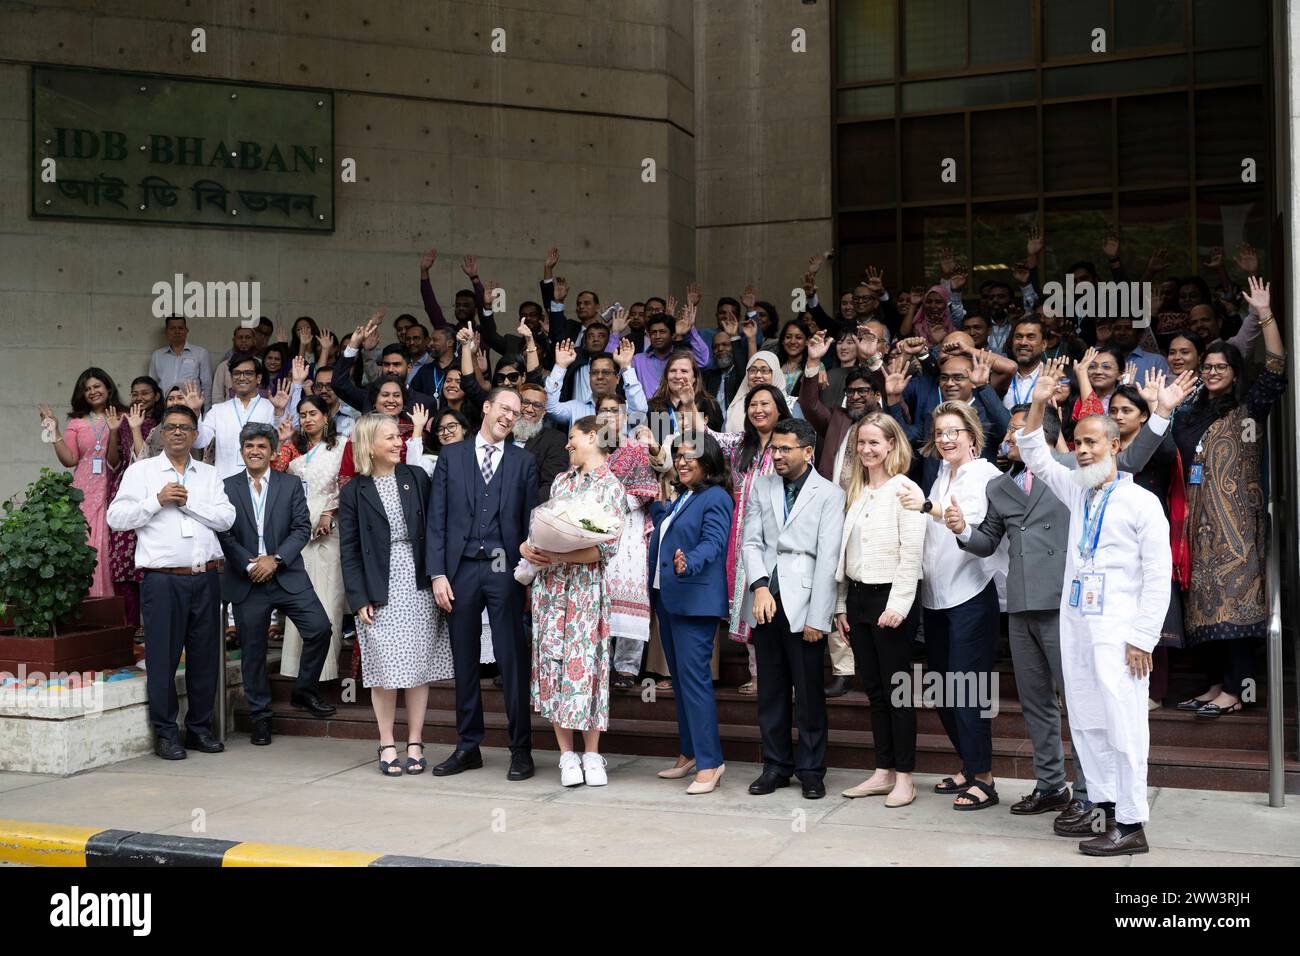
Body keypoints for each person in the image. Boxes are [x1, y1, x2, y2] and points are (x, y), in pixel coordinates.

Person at [1017, 357, 1172, 855]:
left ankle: (1131, 824)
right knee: (1085, 719)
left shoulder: (1141, 503)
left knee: (1124, 723)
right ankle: (1106, 813)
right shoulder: (1078, 491)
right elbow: (1035, 454)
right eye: (1079, 443)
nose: (1082, 451)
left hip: (1122, 634)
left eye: (1092, 443)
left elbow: (1158, 576)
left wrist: (1144, 637)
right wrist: (1040, 402)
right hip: (1079, 627)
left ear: (1117, 445)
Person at [1173, 277, 1286, 717]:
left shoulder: (1248, 410)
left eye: (1221, 367)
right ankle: (1216, 685)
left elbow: (1276, 364)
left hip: (1239, 531)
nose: (1213, 372)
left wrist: (1265, 313)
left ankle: (1240, 691)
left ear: (1235, 373)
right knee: (1204, 613)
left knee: (1237, 613)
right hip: (1198, 531)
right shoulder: (1191, 412)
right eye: (1208, 367)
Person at [106, 404, 236, 759]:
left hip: (206, 577)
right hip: (163, 581)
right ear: (162, 434)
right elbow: (116, 517)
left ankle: (198, 729)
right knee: (162, 658)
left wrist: (188, 503)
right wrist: (156, 500)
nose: (178, 432)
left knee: (205, 658)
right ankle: (166, 733)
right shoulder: (142, 472)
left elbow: (226, 518)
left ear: (195, 435)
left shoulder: (209, 475)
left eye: (185, 427)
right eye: (171, 427)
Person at [427, 388, 538, 781]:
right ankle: (468, 745)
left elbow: (529, 522)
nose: (509, 416)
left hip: (504, 568)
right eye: (504, 408)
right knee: (465, 660)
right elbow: (436, 520)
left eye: (516, 411)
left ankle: (520, 748)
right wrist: (437, 574)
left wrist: (527, 576)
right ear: (487, 408)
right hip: (460, 571)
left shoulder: (524, 461)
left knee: (512, 659)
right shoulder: (452, 456)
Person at [338, 414, 452, 777]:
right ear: (370, 446)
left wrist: (438, 576)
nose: (399, 442)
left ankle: (415, 741)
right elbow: (350, 549)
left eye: (399, 437)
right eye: (390, 438)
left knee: (418, 669)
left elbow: (436, 530)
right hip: (378, 587)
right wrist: (358, 598)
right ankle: (387, 741)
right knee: (384, 670)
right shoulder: (354, 491)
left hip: (417, 582)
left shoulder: (415, 478)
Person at [741, 419, 845, 800]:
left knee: (809, 692)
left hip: (806, 601)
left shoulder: (829, 494)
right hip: (768, 599)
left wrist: (819, 618)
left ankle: (811, 769)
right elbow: (750, 543)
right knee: (771, 690)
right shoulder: (761, 485)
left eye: (786, 449)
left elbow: (829, 558)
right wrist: (759, 587)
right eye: (775, 449)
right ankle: (775, 766)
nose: (778, 455)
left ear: (807, 451)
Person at [522, 417, 627, 786]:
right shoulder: (561, 481)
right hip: (552, 590)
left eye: (573, 438)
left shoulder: (612, 487)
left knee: (586, 668)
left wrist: (560, 557)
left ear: (594, 437)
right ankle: (566, 754)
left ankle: (593, 754)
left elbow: (606, 548)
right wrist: (529, 547)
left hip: (585, 590)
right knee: (554, 665)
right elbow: (545, 529)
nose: (567, 445)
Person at [217, 423, 337, 745]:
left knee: (319, 628)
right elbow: (224, 533)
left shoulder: (290, 484)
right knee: (253, 651)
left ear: (272, 452)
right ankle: (260, 716)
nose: (255, 451)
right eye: (249, 446)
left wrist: (276, 560)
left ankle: (304, 690)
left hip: (286, 575)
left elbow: (301, 528)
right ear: (241, 451)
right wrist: (249, 563)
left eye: (261, 446)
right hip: (247, 579)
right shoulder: (226, 487)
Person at [917, 402, 1004, 809]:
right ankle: (969, 766)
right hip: (935, 598)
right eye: (940, 432)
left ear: (971, 436)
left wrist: (931, 510)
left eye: (954, 431)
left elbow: (971, 527)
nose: (946, 439)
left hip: (970, 596)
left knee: (968, 690)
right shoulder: (941, 474)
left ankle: (984, 778)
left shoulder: (986, 475)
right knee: (942, 688)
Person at [835, 414, 925, 806]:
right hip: (857, 598)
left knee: (898, 692)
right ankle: (883, 771)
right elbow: (847, 554)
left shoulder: (906, 490)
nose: (868, 449)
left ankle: (905, 777)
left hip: (891, 600)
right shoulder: (856, 491)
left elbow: (912, 554)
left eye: (875, 442)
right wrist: (841, 604)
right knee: (873, 690)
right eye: (862, 443)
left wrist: (900, 606)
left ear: (892, 445)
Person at [649, 432, 734, 794]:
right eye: (678, 456)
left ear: (709, 461)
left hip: (695, 603)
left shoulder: (716, 497)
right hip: (668, 600)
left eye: (690, 457)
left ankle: (711, 762)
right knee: (682, 684)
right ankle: (689, 753)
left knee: (695, 683)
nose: (682, 462)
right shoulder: (684, 496)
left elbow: (714, 543)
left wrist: (690, 563)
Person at [271, 396, 353, 684]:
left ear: (325, 417)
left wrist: (330, 513)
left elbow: (349, 482)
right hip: (298, 531)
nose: (307, 419)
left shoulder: (342, 445)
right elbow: (274, 479)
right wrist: (283, 442)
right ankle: (297, 670)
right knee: (301, 600)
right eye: (302, 414)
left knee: (328, 597)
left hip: (330, 527)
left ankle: (325, 670)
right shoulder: (294, 448)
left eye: (313, 413)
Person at [39, 368, 127, 599]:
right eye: (87, 389)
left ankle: (109, 604)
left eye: (97, 386)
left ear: (108, 387)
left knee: (109, 547)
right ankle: (85, 601)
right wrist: (54, 430)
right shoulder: (77, 422)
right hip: (83, 491)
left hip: (112, 487)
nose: (93, 391)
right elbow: (69, 460)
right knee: (85, 544)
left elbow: (116, 461)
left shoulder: (123, 416)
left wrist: (114, 430)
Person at [596, 395, 659, 689]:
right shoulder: (590, 449)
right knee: (599, 594)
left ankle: (627, 668)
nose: (609, 415)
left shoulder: (636, 448)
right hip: (594, 529)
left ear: (624, 416)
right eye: (603, 411)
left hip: (630, 528)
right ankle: (600, 663)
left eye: (614, 410)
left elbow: (648, 489)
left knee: (629, 591)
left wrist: (612, 502)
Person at [108, 376, 165, 630]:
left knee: (145, 563)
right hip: (124, 489)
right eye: (134, 393)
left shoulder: (162, 426)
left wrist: (135, 428)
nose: (139, 397)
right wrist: (116, 430)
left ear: (156, 395)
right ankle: (129, 627)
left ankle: (151, 627)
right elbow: (114, 460)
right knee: (122, 563)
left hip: (150, 492)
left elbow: (145, 462)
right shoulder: (122, 422)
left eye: (145, 393)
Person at [192, 353, 300, 479]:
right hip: (224, 484)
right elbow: (199, 442)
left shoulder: (272, 407)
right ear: (231, 379)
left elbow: (281, 443)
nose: (242, 377)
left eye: (248, 373)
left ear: (258, 378)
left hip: (262, 483)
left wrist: (279, 412)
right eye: (237, 373)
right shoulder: (218, 410)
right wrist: (195, 412)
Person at [546, 339, 645, 426]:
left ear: (618, 378)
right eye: (594, 372)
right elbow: (549, 407)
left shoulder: (626, 408)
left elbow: (640, 412)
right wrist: (560, 366)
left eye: (606, 372)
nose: (599, 377)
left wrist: (626, 366)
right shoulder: (575, 408)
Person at [512, 381, 570, 503]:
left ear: (544, 412)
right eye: (525, 402)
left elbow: (550, 484)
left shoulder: (555, 440)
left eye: (537, 405)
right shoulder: (502, 433)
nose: (529, 409)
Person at [149, 315, 212, 407]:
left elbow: (206, 385)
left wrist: (206, 410)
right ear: (166, 332)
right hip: (165, 408)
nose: (177, 331)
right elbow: (152, 386)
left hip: (192, 408)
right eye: (172, 328)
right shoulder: (157, 355)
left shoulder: (201, 353)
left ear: (187, 331)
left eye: (180, 328)